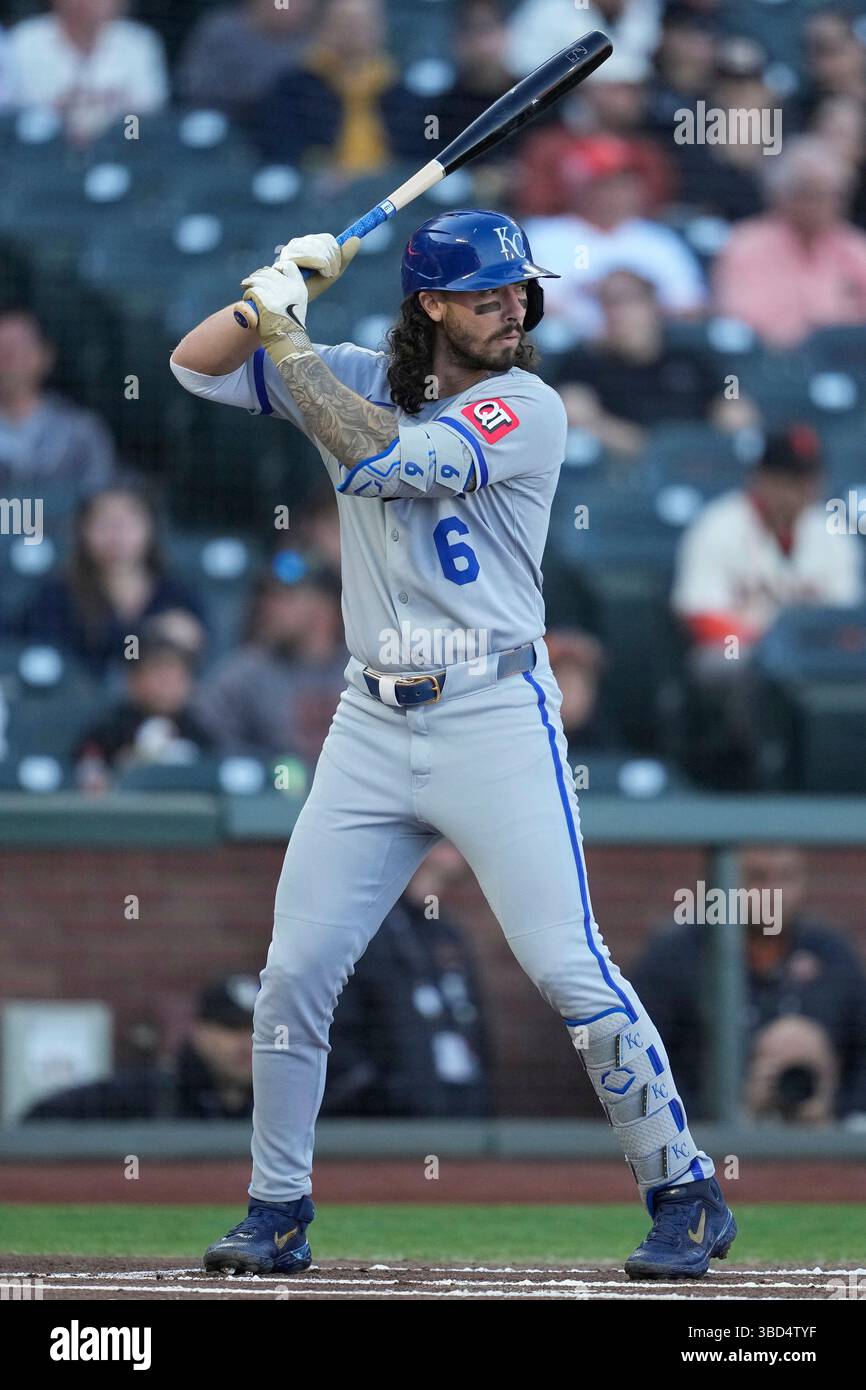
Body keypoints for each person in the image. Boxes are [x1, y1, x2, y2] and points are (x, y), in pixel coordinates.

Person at [170, 208, 737, 1281]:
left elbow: (377, 459)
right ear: (429, 303)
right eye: (486, 295)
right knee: (293, 973)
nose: (511, 309)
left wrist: (289, 343)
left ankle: (685, 1190)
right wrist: (270, 294)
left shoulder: (525, 403)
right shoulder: (352, 366)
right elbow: (193, 366)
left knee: (568, 967)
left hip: (491, 712)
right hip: (370, 718)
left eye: (518, 292)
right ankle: (275, 1208)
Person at [671, 424, 863, 786]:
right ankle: (758, 775)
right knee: (732, 666)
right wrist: (773, 646)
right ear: (760, 478)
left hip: (814, 660)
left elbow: (846, 626)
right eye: (787, 479)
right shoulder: (718, 525)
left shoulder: (834, 535)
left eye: (806, 480)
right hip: (741, 653)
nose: (797, 491)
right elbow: (699, 615)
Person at [631, 846, 866, 1125]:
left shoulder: (832, 955)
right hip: (707, 1144)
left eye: (786, 877)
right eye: (757, 877)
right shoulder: (675, 957)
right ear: (720, 882)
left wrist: (835, 1112)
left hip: (822, 1138)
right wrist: (728, 1112)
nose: (773, 893)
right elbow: (639, 1065)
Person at [323, 841, 491, 1118]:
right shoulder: (365, 928)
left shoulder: (446, 935)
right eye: (442, 835)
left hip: (461, 1115)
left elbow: (476, 1030)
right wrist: (380, 1091)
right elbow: (336, 1027)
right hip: (389, 1128)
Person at [550, 269, 756, 457]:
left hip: (698, 460)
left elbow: (732, 401)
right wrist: (649, 449)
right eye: (607, 303)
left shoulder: (689, 353)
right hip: (624, 469)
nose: (618, 313)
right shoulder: (583, 362)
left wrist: (728, 414)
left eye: (628, 301)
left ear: (653, 305)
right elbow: (576, 413)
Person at [12, 482, 207, 678]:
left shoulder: (178, 596)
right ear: (82, 530)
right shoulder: (55, 597)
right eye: (103, 522)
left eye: (128, 522)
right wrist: (150, 633)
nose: (116, 535)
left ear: (151, 528)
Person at [523, 134, 706, 339]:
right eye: (604, 184)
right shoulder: (543, 237)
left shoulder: (659, 241)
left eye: (624, 182)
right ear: (578, 186)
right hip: (571, 355)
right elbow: (531, 305)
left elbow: (688, 306)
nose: (616, 193)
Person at [25, 975, 258, 1120]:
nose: (246, 1041)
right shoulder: (151, 1094)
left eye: (257, 1029)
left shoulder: (282, 1106)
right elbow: (42, 1117)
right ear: (199, 1031)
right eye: (232, 1027)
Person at [712, 136, 866, 348]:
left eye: (834, 195)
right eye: (812, 194)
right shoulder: (747, 246)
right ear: (782, 194)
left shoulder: (856, 248)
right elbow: (743, 321)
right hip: (771, 367)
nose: (825, 204)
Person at [193, 553, 347, 762]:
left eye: (285, 597)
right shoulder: (246, 672)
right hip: (277, 792)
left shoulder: (362, 669)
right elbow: (204, 741)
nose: (270, 607)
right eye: (269, 597)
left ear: (324, 606)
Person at [249, 0, 428, 173]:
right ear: (321, 27)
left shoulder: (403, 93)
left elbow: (417, 156)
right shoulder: (291, 90)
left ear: (382, 27)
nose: (354, 32)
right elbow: (280, 149)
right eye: (345, 22)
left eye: (364, 22)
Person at [8, 0, 169, 146]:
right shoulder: (24, 40)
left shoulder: (139, 42)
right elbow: (14, 116)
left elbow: (145, 117)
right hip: (40, 152)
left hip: (117, 149)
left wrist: (120, 133)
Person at [74, 632, 213, 792]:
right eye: (160, 675)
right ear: (133, 680)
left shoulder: (197, 729)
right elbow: (89, 763)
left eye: (177, 675)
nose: (168, 684)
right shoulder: (112, 726)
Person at [0, 309, 116, 497]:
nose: (8, 359)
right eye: (1, 349)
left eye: (17, 348)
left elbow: (98, 507)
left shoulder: (82, 435)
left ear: (45, 356)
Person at [175, 0, 314, 130]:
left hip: (279, 133)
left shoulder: (309, 45)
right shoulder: (222, 30)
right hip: (217, 124)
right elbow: (194, 85)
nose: (291, 8)